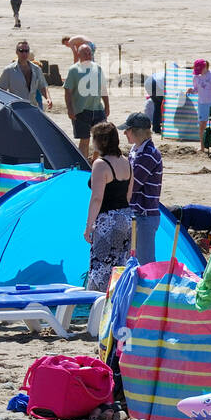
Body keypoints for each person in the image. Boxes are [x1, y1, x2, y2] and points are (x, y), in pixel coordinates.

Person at [83, 121, 134, 292]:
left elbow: (97, 198)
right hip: (126, 218)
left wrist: (89, 225)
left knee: (101, 267)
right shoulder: (126, 162)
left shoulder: (101, 164)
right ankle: (116, 306)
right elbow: (128, 194)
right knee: (120, 266)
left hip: (108, 220)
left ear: (100, 141)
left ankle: (97, 308)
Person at [119, 112, 163, 264]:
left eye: (127, 130)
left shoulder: (148, 154)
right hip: (138, 214)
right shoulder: (135, 150)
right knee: (133, 262)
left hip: (144, 216)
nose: (124, 133)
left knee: (145, 265)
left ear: (137, 131)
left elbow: (133, 184)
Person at [63, 44, 110, 157]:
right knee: (85, 140)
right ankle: (84, 168)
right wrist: (70, 109)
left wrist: (107, 106)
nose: (88, 55)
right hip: (81, 110)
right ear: (79, 54)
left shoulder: (97, 68)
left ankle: (95, 163)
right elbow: (67, 91)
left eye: (90, 53)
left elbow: (103, 89)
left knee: (101, 139)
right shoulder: (74, 70)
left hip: (98, 109)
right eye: (85, 53)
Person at [0, 41, 49, 109]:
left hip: (33, 107)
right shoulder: (8, 70)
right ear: (17, 52)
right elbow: (1, 90)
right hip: (16, 109)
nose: (24, 53)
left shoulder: (36, 69)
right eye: (21, 51)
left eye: (26, 51)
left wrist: (48, 98)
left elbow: (43, 86)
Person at [183, 59, 211, 131]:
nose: (198, 72)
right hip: (202, 104)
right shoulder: (196, 77)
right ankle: (202, 142)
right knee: (202, 126)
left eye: (199, 70)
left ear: (205, 67)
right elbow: (196, 90)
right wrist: (191, 90)